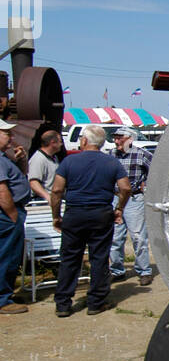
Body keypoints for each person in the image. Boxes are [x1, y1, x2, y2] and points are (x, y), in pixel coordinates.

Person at [50, 125, 132, 316]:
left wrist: (56, 215)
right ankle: (96, 302)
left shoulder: (69, 161)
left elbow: (57, 190)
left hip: (75, 213)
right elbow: (126, 188)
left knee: (70, 258)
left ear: (85, 141)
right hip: (101, 213)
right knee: (99, 257)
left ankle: (63, 303)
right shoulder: (111, 162)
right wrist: (119, 209)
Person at [109, 127, 153, 284]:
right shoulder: (111, 155)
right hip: (115, 198)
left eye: (120, 138)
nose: (116, 141)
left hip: (134, 199)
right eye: (115, 138)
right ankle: (117, 270)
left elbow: (155, 171)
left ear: (130, 139)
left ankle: (144, 271)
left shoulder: (141, 154)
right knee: (115, 237)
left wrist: (146, 184)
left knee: (138, 236)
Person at [0, 118, 32, 315]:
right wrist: (13, 216)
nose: (11, 137)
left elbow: (17, 177)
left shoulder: (4, 157)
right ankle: (2, 299)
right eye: (7, 133)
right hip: (7, 214)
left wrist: (21, 160)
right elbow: (2, 190)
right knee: (6, 255)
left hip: (11, 213)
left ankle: (6, 294)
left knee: (11, 255)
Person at [28, 128, 63, 202]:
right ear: (53, 142)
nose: (61, 144)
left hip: (53, 198)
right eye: (60, 142)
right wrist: (48, 197)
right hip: (42, 201)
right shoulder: (38, 159)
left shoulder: (54, 157)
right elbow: (33, 183)